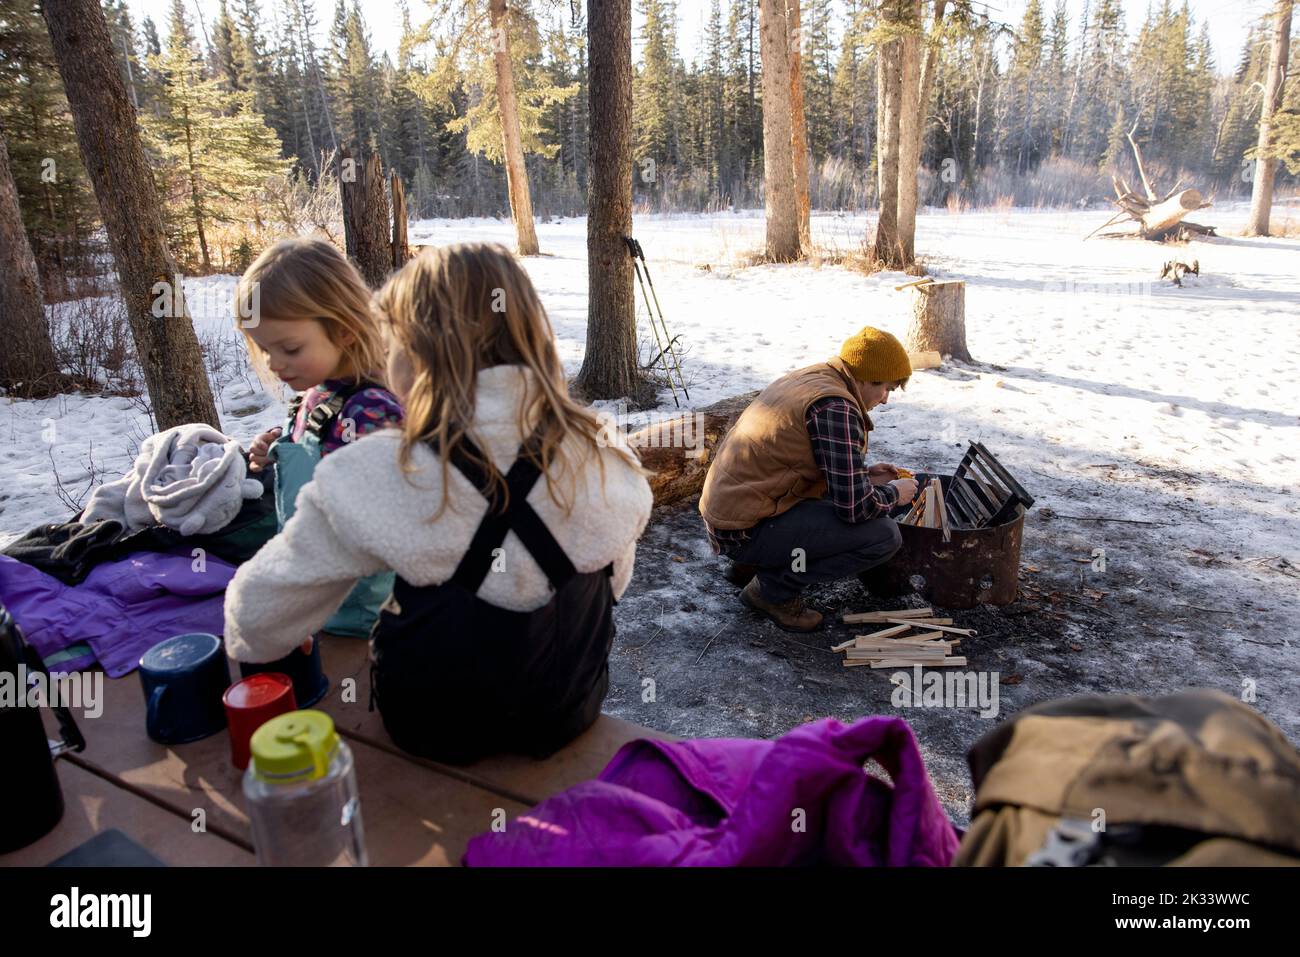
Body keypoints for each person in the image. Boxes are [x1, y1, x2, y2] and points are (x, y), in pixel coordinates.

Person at [224, 243, 653, 763]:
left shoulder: (381, 469)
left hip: (433, 731)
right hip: (568, 711)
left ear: (416, 352)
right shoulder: (604, 447)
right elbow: (614, 577)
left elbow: (258, 618)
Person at [235, 238, 404, 638]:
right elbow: (316, 452)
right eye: (264, 350)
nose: (275, 365)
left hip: (361, 614)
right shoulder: (318, 391)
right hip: (319, 596)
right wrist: (277, 451)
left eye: (289, 348)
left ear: (343, 331)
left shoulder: (373, 411)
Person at [699, 327, 917, 632]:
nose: (885, 400)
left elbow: (797, 460)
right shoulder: (835, 407)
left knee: (856, 504)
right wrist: (894, 493)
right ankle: (772, 590)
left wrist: (864, 476)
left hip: (733, 511)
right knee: (883, 535)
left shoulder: (816, 378)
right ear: (868, 377)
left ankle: (751, 564)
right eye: (888, 389)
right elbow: (855, 508)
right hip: (742, 529)